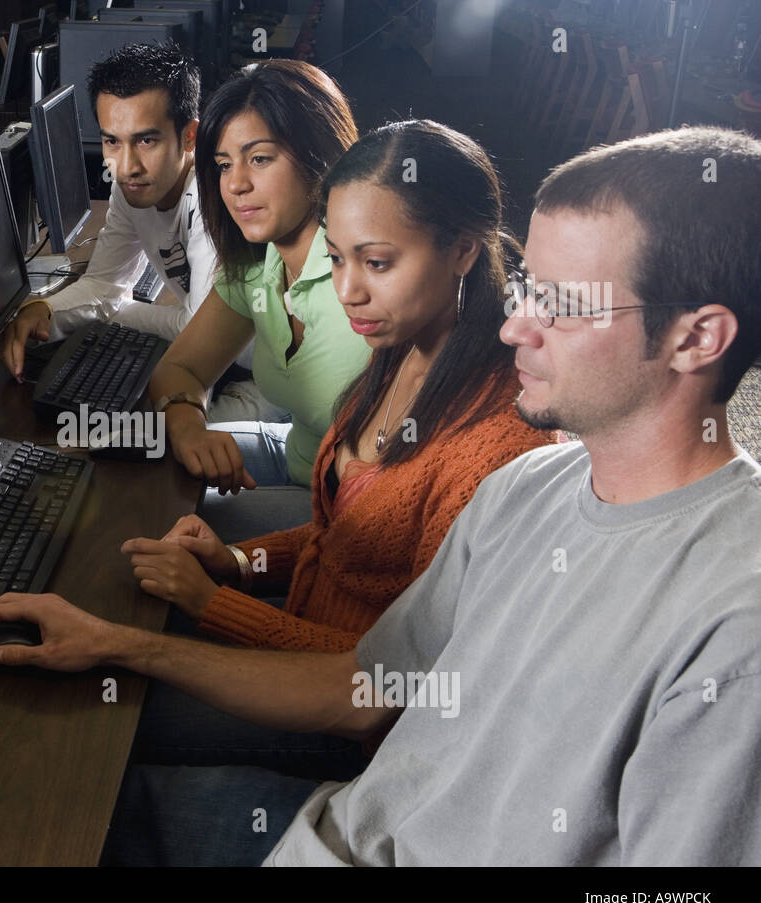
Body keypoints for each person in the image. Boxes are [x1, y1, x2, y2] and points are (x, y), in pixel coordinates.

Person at [0, 125, 761, 866]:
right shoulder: (529, 489)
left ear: (698, 338)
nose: (516, 328)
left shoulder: (736, 623)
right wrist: (116, 643)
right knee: (60, 790)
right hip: (339, 831)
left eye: (563, 305)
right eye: (528, 289)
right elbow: (361, 689)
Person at [125, 120, 558, 659]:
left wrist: (214, 604)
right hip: (301, 632)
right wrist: (238, 564)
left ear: (463, 252)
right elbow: (344, 543)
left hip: (354, 717)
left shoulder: (492, 449)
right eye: (335, 258)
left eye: (376, 263)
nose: (348, 291)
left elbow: (396, 682)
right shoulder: (400, 343)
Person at [0, 43, 270, 421]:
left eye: (146, 140)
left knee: (155, 448)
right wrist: (45, 309)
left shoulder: (215, 194)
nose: (126, 167)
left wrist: (114, 313)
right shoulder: (132, 188)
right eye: (112, 141)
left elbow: (195, 327)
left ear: (190, 136)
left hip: (270, 382)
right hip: (218, 370)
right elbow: (105, 284)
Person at [147, 59, 372, 496]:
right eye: (224, 164)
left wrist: (249, 563)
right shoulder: (257, 264)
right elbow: (180, 368)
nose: (236, 185)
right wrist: (189, 427)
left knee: (165, 531)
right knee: (141, 470)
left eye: (260, 159)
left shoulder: (368, 274)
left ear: (318, 156)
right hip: (294, 455)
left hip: (344, 508)